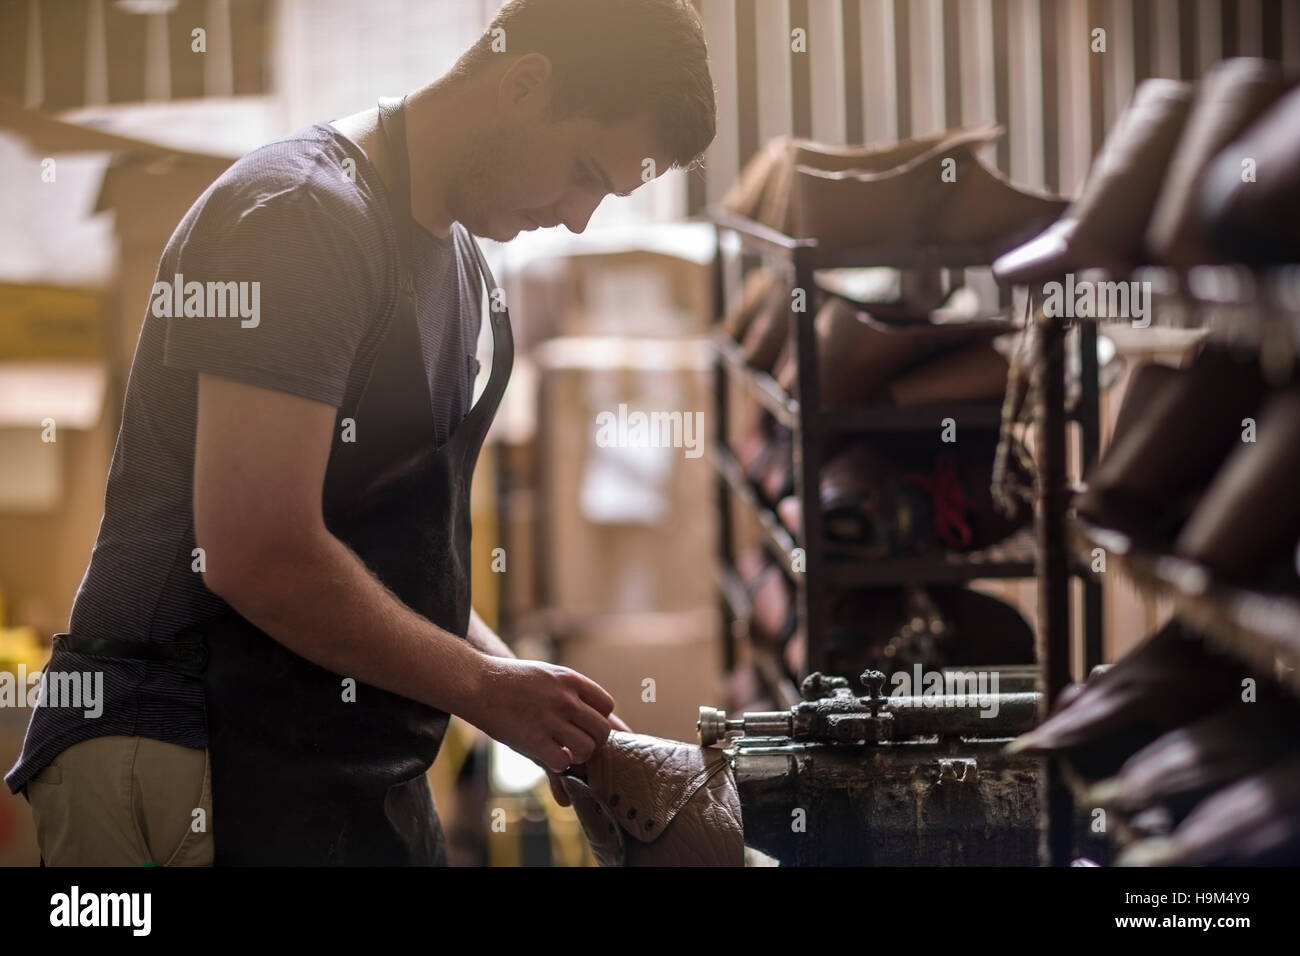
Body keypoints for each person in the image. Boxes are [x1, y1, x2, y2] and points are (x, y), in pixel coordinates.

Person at [6, 0, 716, 866]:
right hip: (177, 744)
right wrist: (485, 688)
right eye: (584, 173)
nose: (578, 218)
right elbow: (257, 550)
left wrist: (552, 719)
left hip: (318, 753)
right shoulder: (299, 217)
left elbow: (388, 568)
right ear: (526, 83)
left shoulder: (458, 272)